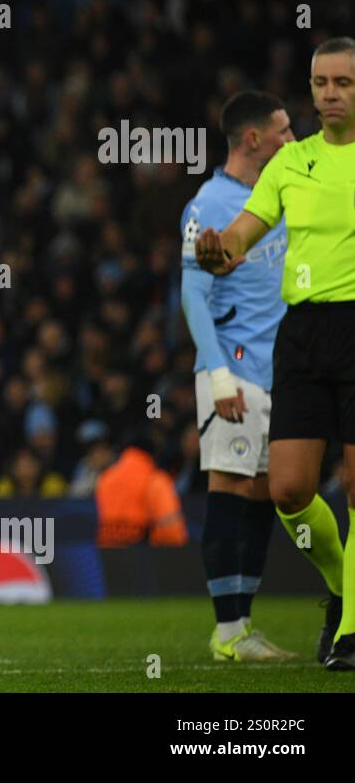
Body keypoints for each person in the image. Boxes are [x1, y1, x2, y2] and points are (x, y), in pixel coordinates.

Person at [196, 37, 355, 669]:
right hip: (303, 335)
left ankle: (349, 635)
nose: (330, 94)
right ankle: (343, 589)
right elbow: (242, 232)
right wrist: (219, 249)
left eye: (343, 83)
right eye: (321, 84)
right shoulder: (292, 164)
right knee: (289, 489)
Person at [180, 89, 295, 662]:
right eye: (284, 131)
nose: (292, 140)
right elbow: (193, 295)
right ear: (254, 139)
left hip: (281, 372)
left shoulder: (276, 199)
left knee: (262, 494)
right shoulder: (210, 205)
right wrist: (220, 377)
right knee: (229, 487)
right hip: (235, 370)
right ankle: (227, 629)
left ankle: (243, 623)